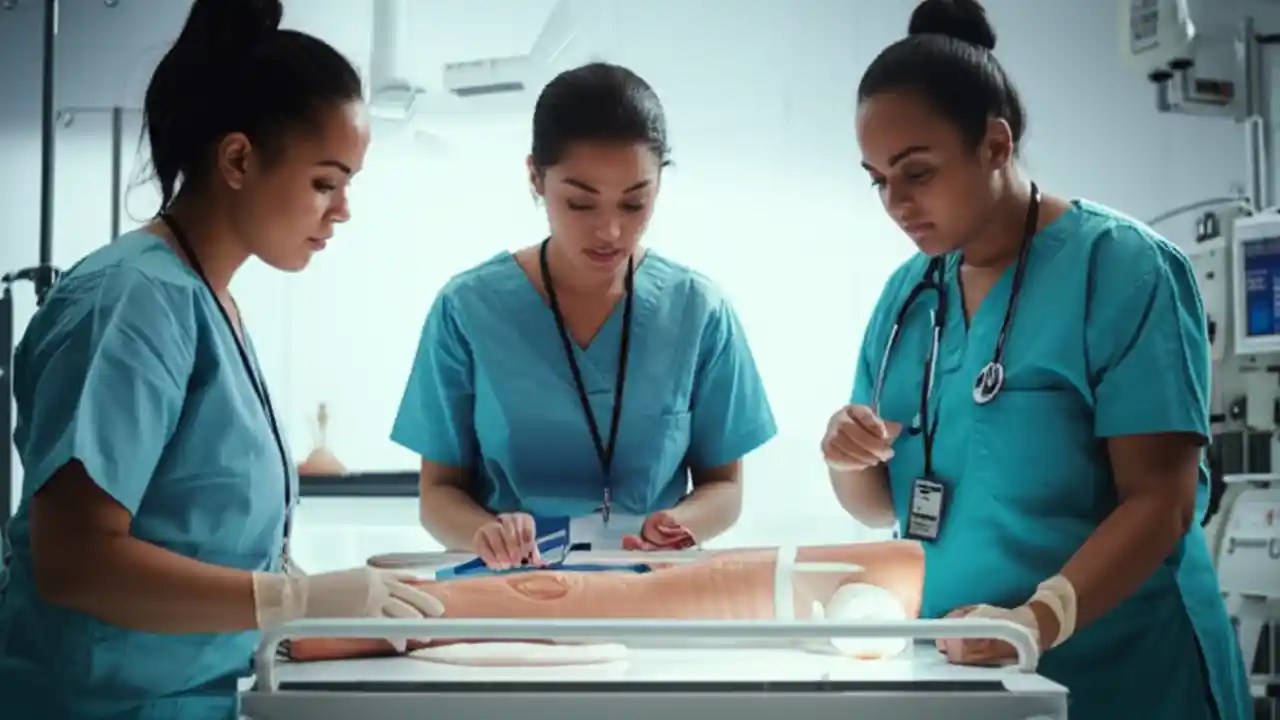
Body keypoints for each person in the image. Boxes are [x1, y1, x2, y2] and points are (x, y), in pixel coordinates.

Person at [0, 1, 443, 717]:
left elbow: (211, 546)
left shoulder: (211, 304)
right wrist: (291, 599)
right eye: (326, 183)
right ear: (238, 158)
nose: (342, 211)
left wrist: (326, 612)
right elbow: (75, 561)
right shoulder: (131, 301)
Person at [821, 1, 1252, 718]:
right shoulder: (909, 298)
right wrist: (847, 456)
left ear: (995, 144)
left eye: (917, 172)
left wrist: (1036, 621)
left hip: (1128, 672)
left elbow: (1163, 500)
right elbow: (878, 506)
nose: (894, 203)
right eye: (877, 180)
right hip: (973, 670)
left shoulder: (1121, 269)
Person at [392, 62, 776, 568]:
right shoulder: (468, 309)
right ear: (535, 177)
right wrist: (487, 532)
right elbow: (438, 494)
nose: (611, 232)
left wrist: (683, 524)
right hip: (508, 598)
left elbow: (724, 486)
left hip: (650, 594)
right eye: (580, 204)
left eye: (635, 204)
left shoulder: (698, 311)